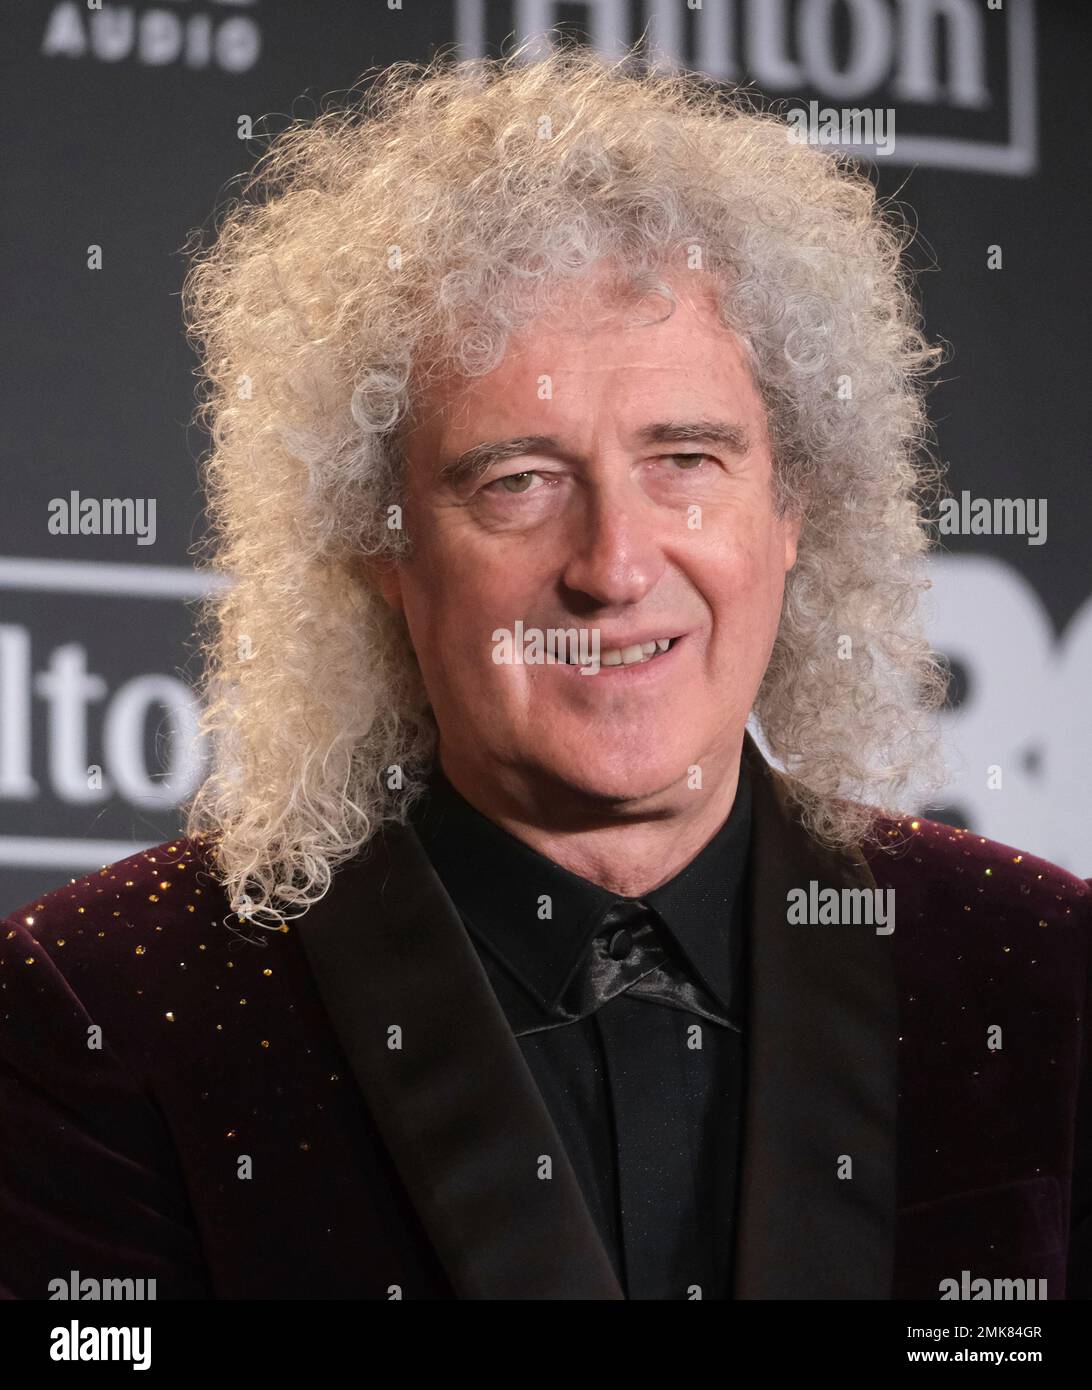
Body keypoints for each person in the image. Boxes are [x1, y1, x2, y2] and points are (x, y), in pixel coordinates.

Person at [2, 42, 1089, 1301]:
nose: (616, 566)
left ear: (794, 510)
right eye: (518, 481)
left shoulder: (1035, 971)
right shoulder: (111, 1008)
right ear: (382, 548)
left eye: (686, 459)